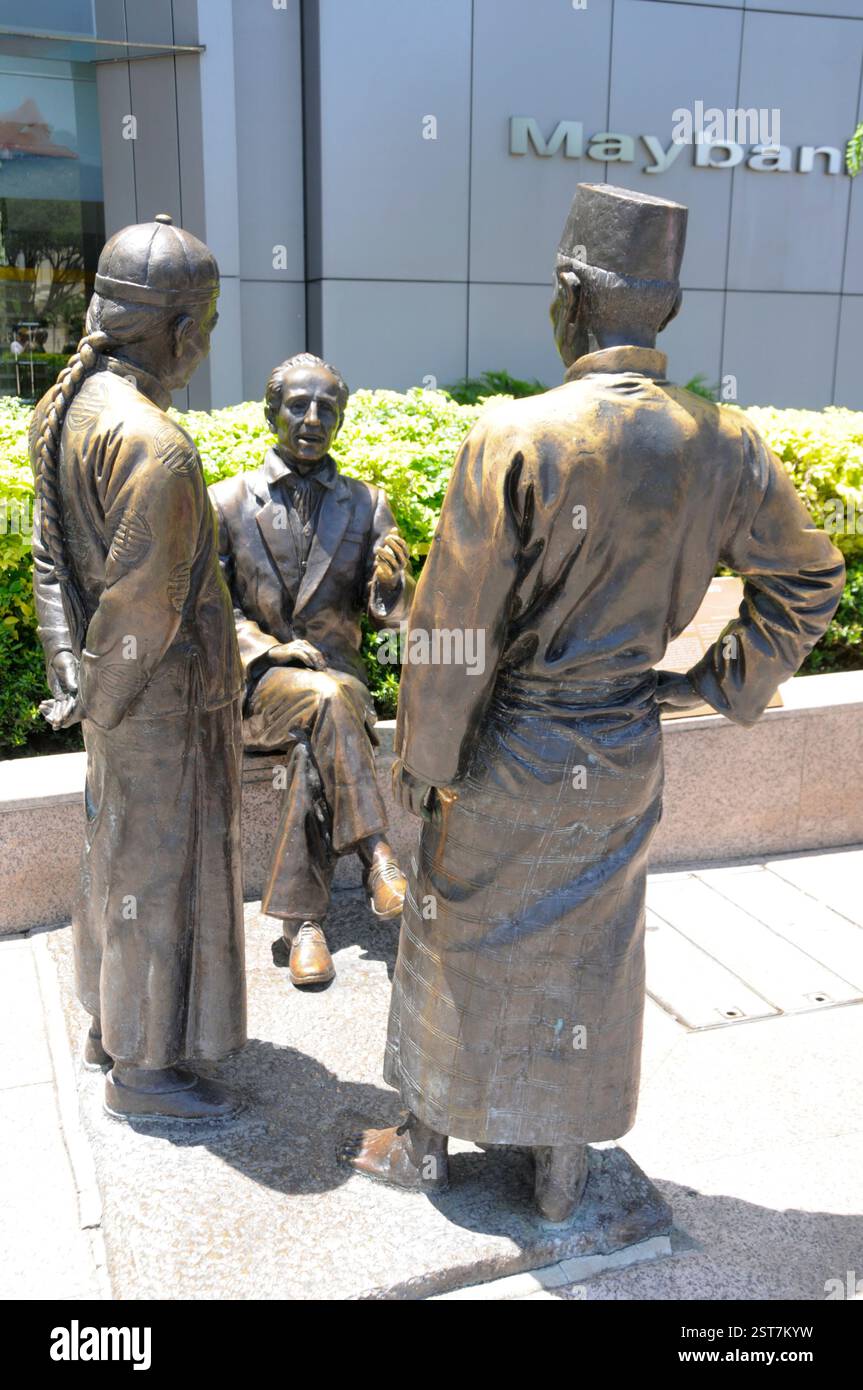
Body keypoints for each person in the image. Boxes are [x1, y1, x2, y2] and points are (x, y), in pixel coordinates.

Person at [344, 183, 845, 1221]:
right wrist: (712, 682)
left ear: (569, 292)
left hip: (511, 740)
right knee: (587, 954)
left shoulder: (516, 435)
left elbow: (450, 627)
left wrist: (423, 757)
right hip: (619, 743)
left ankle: (426, 1142)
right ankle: (558, 1166)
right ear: (662, 303)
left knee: (452, 935)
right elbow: (807, 579)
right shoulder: (724, 440)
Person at [31, 214, 247, 1121]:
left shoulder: (66, 409)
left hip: (111, 698)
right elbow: (144, 605)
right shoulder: (157, 444)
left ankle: (106, 1022)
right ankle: (146, 1072)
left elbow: (50, 564)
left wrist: (74, 684)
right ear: (185, 330)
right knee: (159, 877)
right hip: (160, 703)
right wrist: (109, 700)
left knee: (111, 860)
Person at [209, 354, 413, 987]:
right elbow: (211, 610)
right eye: (298, 405)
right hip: (261, 686)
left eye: (326, 407)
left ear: (341, 418)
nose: (312, 418)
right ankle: (376, 852)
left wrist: (393, 585)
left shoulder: (366, 504)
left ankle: (303, 924)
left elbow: (390, 619)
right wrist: (267, 650)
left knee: (315, 736)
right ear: (273, 412)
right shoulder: (227, 502)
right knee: (320, 706)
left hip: (341, 686)